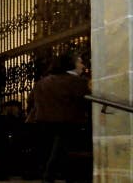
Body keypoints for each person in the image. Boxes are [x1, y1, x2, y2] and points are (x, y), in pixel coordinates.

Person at [27, 53, 90, 182]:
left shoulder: (42, 82)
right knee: (64, 153)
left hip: (43, 121)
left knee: (53, 152)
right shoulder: (76, 81)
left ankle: (47, 174)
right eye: (79, 62)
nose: (82, 65)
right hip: (68, 122)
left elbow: (30, 100)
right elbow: (86, 101)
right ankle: (50, 175)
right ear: (70, 64)